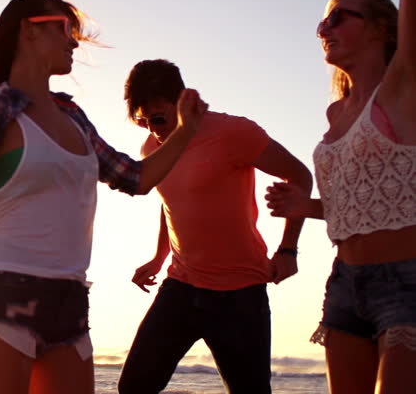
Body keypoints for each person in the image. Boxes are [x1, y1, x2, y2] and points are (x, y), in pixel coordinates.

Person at [0, 0, 208, 394]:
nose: (73, 42)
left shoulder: (74, 116)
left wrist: (186, 129)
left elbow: (136, 178)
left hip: (70, 305)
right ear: (29, 30)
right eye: (65, 29)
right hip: (2, 300)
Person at [264, 0, 416, 391]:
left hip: (408, 281)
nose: (322, 29)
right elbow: (363, 204)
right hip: (346, 283)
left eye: (337, 17)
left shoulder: (401, 90)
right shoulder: (336, 114)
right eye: (321, 21)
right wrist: (304, 207)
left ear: (381, 29)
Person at [116, 59, 313, 394]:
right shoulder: (153, 146)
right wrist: (158, 257)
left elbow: (299, 176)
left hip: (239, 293)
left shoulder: (234, 133)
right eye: (142, 121)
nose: (151, 129)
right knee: (134, 387)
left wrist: (288, 249)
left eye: (158, 118)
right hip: (181, 287)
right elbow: (170, 201)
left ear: (182, 101)